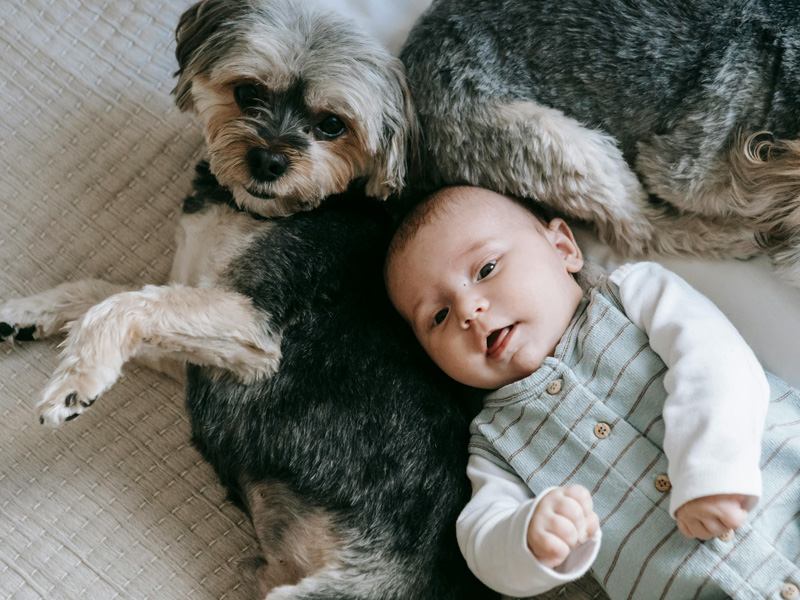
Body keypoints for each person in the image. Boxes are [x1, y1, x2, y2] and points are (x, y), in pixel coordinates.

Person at [384, 186, 800, 599]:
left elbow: (716, 359)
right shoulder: (496, 445)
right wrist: (529, 537)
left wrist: (713, 471)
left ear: (564, 247)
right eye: (438, 316)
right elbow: (481, 538)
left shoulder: (634, 295)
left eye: (486, 269)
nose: (467, 309)